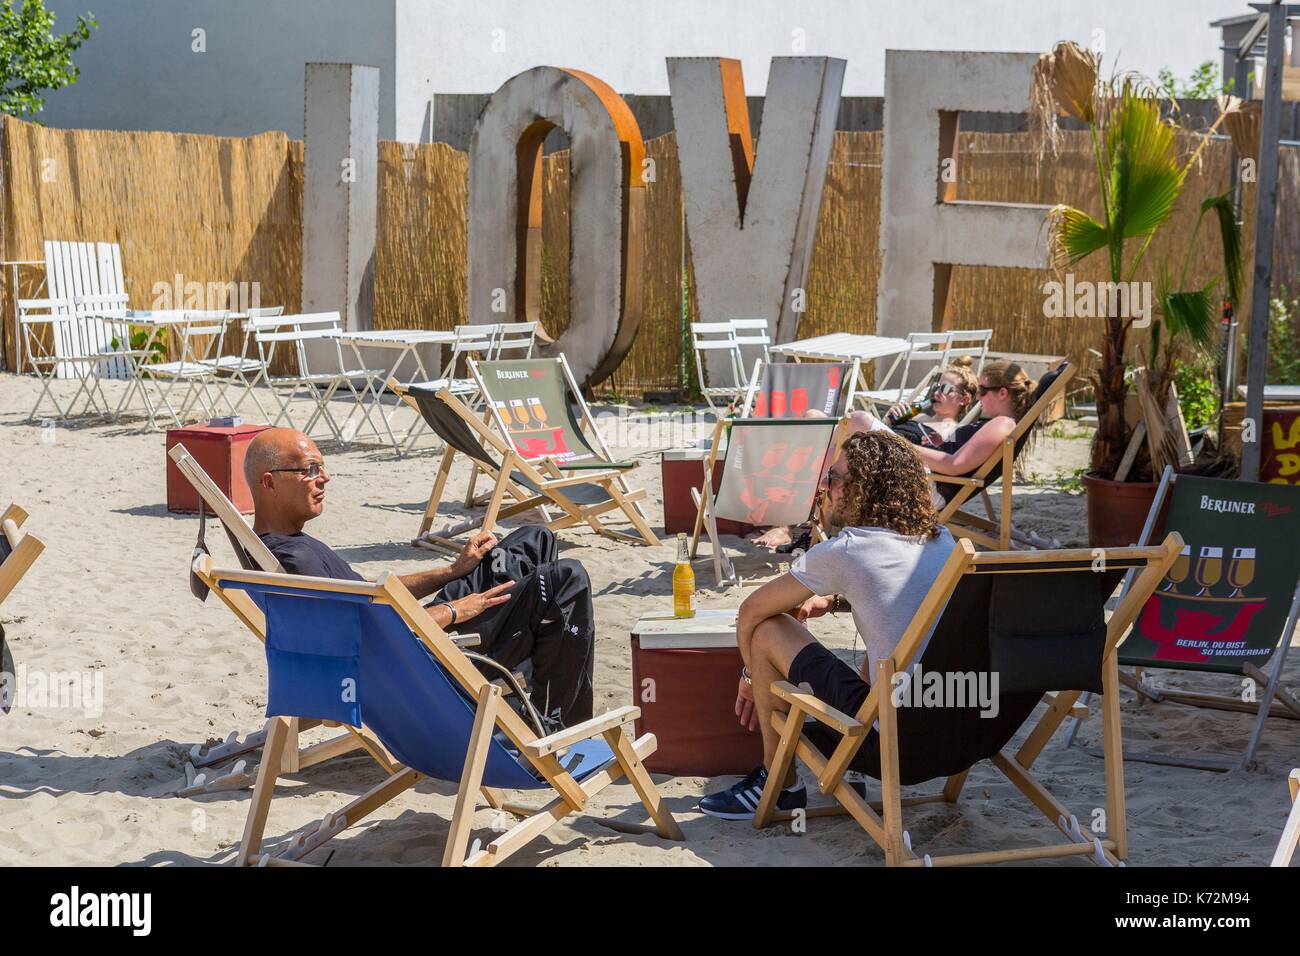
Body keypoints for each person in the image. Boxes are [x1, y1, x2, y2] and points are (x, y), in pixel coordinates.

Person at [244, 427, 595, 728]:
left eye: (322, 467)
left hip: (416, 635)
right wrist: (454, 611)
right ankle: (555, 724)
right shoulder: (295, 562)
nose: (324, 478)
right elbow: (360, 639)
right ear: (270, 483)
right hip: (421, 662)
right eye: (309, 469)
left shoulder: (289, 545)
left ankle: (531, 676)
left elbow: (372, 594)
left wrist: (452, 571)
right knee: (566, 578)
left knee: (534, 539)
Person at [698, 430, 955, 820]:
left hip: (891, 743)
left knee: (769, 629)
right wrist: (834, 601)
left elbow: (751, 611)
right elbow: (901, 600)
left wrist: (749, 676)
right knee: (888, 645)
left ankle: (779, 785)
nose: (823, 487)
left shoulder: (848, 550)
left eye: (833, 478)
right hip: (960, 731)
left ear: (861, 488)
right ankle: (846, 771)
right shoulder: (943, 541)